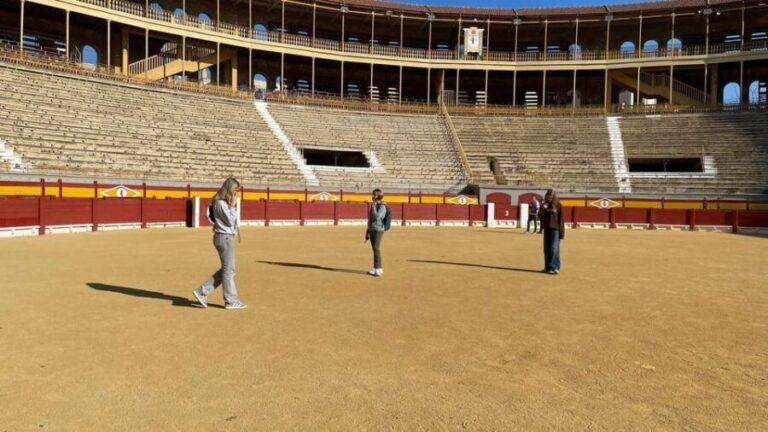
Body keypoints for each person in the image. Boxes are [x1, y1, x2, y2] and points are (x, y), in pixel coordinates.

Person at [192, 177, 248, 309]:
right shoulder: (221, 203)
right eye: (234, 190)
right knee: (229, 271)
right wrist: (233, 206)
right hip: (225, 238)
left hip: (223, 237)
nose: (235, 193)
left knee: (228, 270)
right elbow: (229, 221)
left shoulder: (220, 202)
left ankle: (203, 291)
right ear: (228, 188)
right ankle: (230, 300)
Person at [365, 188, 392, 277]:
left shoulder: (382, 206)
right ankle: (377, 268)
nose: (372, 196)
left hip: (378, 229)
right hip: (372, 228)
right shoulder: (376, 205)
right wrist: (367, 231)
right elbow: (370, 219)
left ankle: (378, 269)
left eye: (373, 195)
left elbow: (377, 217)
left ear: (377, 196)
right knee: (374, 249)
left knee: (376, 248)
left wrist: (373, 207)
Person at [539, 189, 565, 275]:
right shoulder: (544, 205)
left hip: (555, 230)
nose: (549, 197)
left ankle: (555, 267)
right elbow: (540, 217)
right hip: (547, 229)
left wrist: (561, 232)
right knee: (546, 249)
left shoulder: (558, 205)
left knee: (554, 248)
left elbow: (561, 220)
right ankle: (547, 268)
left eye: (551, 196)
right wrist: (543, 210)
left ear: (554, 196)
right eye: (548, 195)